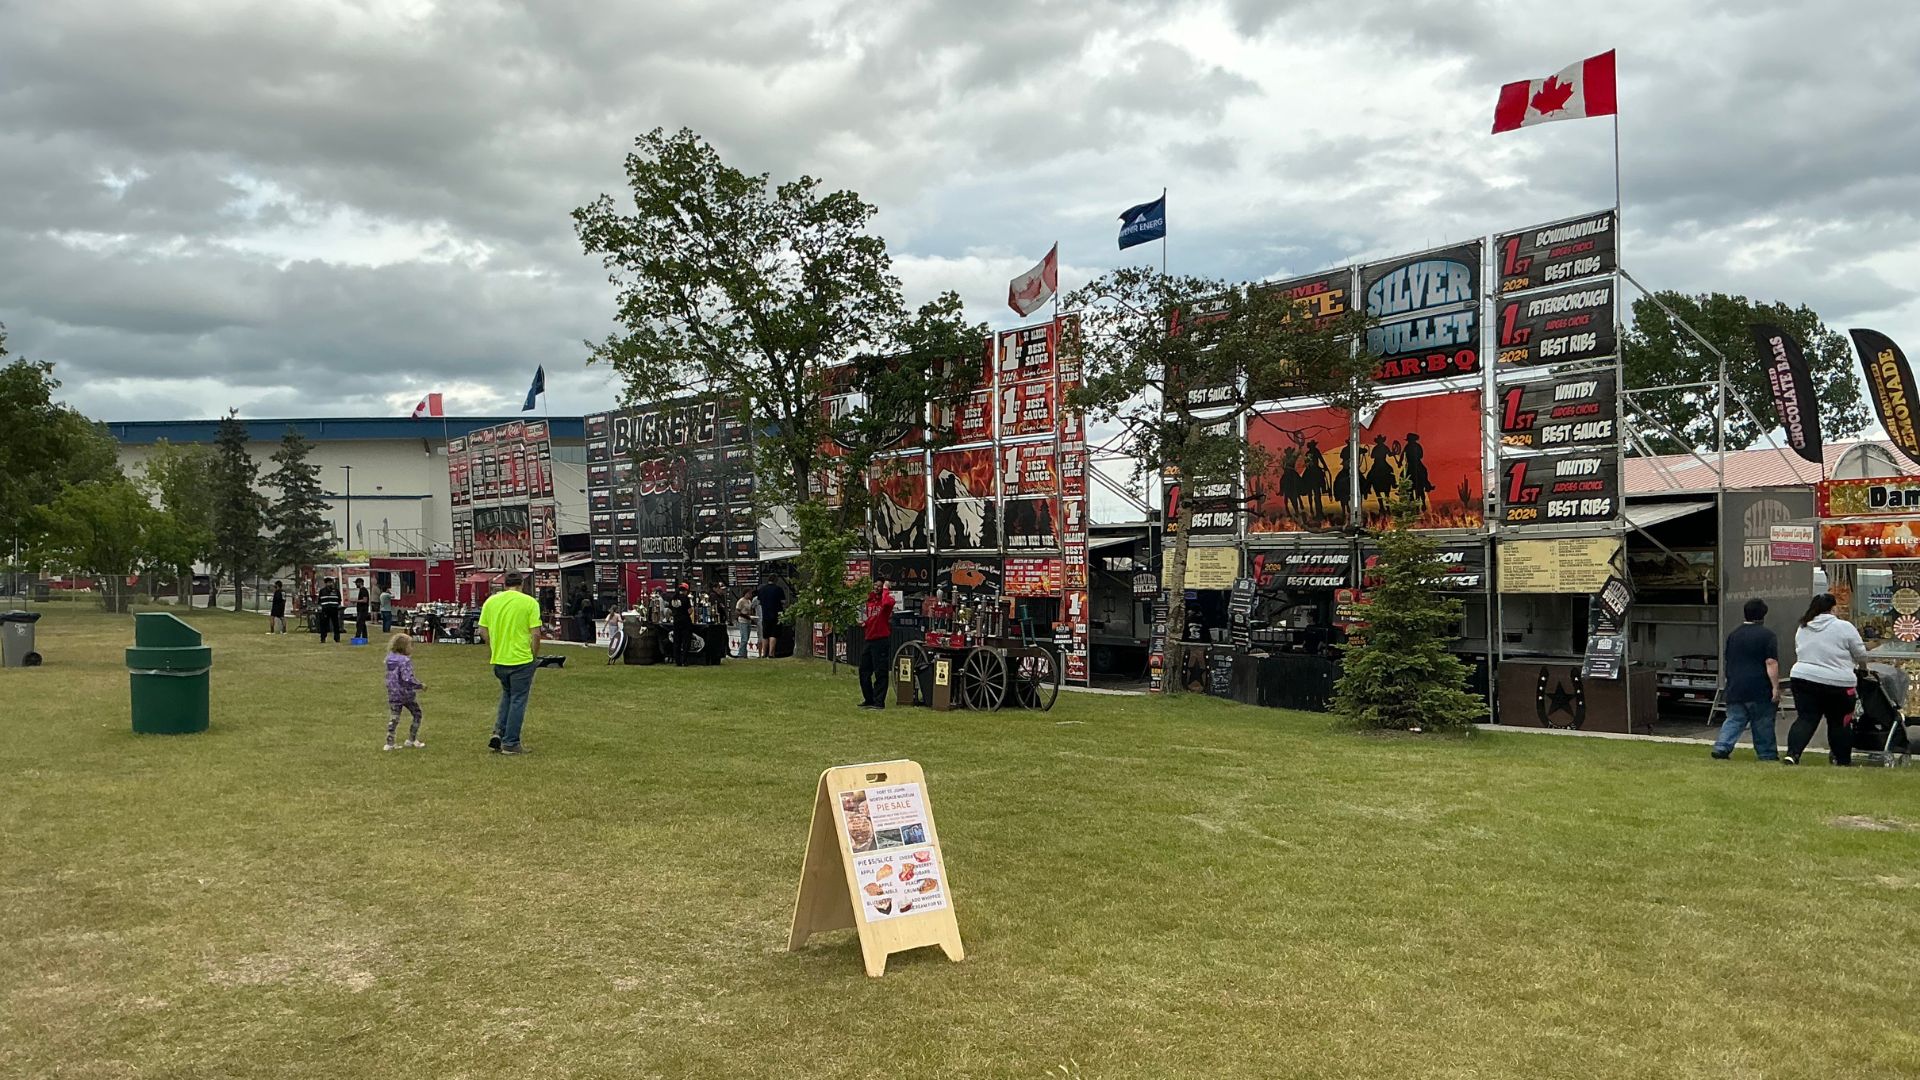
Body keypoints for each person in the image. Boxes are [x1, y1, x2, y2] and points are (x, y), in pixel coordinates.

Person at [1786, 592, 1867, 766]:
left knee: (1806, 718)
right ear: (1833, 608)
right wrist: (1862, 668)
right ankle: (1842, 759)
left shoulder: (1804, 627)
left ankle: (1793, 753)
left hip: (1803, 677)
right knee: (1839, 722)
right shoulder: (1844, 627)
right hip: (1838, 682)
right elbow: (1860, 653)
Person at [478, 571, 543, 754]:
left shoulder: (491, 602)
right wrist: (534, 654)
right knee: (518, 699)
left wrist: (493, 647)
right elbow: (536, 633)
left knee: (507, 695)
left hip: (499, 658)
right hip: (521, 658)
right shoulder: (529, 603)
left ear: (504, 584)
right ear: (521, 584)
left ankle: (499, 731)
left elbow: (482, 630)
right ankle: (511, 741)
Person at [1713, 598, 1780, 761]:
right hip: (1759, 686)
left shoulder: (1733, 635)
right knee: (1763, 722)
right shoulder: (1768, 635)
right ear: (1763, 615)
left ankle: (1722, 746)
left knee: (1735, 718)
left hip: (1736, 685)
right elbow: (1770, 662)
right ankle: (1767, 754)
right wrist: (1775, 687)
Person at [857, 576, 896, 710]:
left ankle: (879, 702)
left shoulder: (888, 600)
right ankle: (869, 699)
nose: (877, 588)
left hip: (881, 640)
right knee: (864, 670)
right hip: (869, 639)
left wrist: (886, 589)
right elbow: (866, 617)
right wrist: (863, 621)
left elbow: (886, 604)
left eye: (880, 586)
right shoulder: (869, 600)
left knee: (880, 672)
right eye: (875, 585)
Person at [383, 633, 427, 751]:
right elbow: (407, 678)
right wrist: (419, 685)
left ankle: (389, 743)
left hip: (393, 693)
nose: (412, 648)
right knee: (417, 714)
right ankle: (412, 739)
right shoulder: (405, 661)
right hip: (406, 693)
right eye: (411, 645)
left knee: (394, 717)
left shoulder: (389, 659)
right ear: (404, 647)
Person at [756, 577, 786, 658]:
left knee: (765, 635)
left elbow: (759, 602)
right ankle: (771, 653)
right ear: (776, 580)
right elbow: (783, 602)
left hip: (765, 615)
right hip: (776, 615)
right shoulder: (778, 589)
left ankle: (763, 653)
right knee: (773, 634)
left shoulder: (762, 590)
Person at [669, 580, 695, 666]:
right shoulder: (686, 598)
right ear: (686, 590)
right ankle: (685, 660)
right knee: (686, 642)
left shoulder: (673, 598)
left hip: (676, 622)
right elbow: (690, 611)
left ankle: (677, 661)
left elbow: (670, 611)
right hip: (685, 622)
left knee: (677, 642)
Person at [316, 577, 343, 643]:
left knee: (336, 624)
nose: (330, 584)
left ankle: (337, 638)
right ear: (326, 583)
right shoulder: (322, 591)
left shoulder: (336, 591)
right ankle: (323, 638)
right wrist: (320, 607)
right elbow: (319, 601)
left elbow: (339, 600)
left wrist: (338, 606)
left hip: (334, 609)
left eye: (331, 582)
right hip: (325, 610)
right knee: (324, 625)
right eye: (328, 582)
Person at [734, 589, 756, 659]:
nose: (750, 595)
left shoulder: (749, 601)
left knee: (747, 637)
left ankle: (744, 653)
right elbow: (737, 612)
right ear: (745, 593)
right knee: (744, 638)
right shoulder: (741, 601)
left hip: (748, 621)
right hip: (743, 621)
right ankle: (740, 653)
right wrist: (745, 616)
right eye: (749, 593)